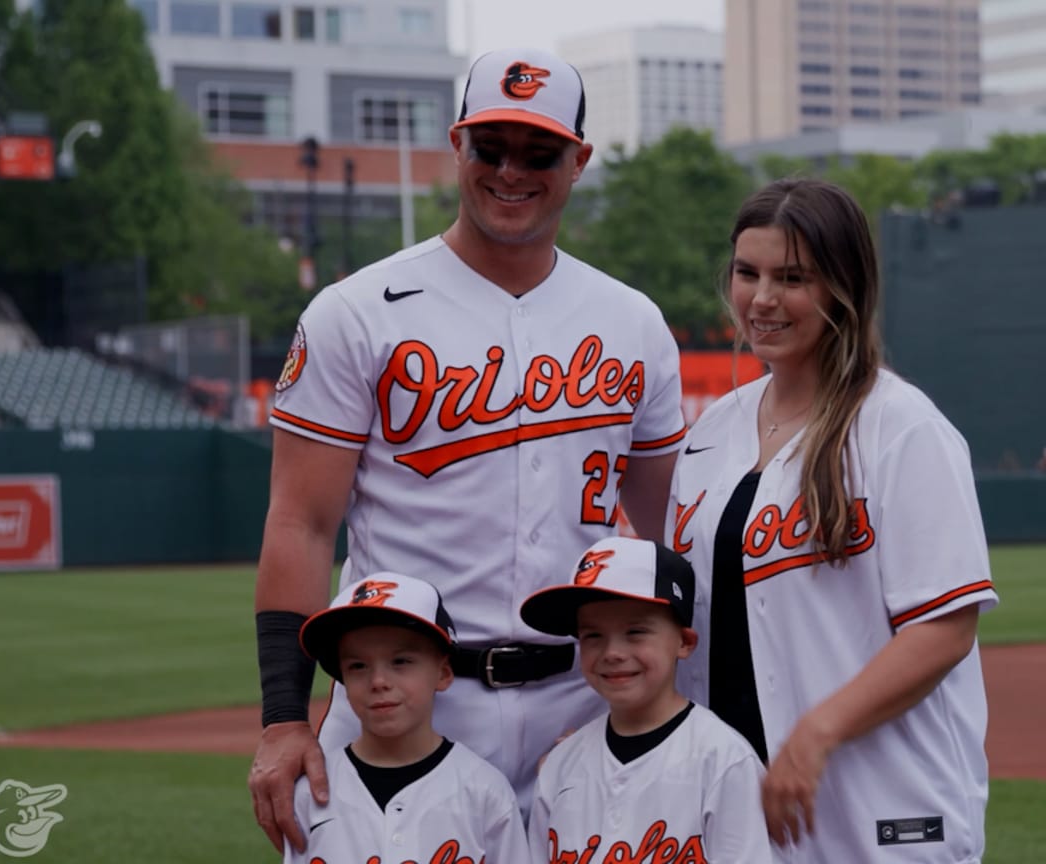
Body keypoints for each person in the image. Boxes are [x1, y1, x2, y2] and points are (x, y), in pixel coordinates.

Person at [249, 46, 688, 853]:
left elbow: (670, 540)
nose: (510, 170)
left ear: (579, 160)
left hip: (584, 710)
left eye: (539, 152)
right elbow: (301, 526)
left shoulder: (632, 322)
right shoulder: (357, 312)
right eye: (489, 147)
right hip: (406, 712)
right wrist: (283, 719)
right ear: (457, 145)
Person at [665, 179, 999, 862]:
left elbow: (944, 628)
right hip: (741, 811)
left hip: (882, 805)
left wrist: (817, 732)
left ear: (842, 286)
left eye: (792, 278)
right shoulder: (710, 435)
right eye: (747, 272)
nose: (762, 298)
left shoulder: (900, 428)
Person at [518, 537, 775, 863]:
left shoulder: (723, 760)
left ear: (684, 642)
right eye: (593, 635)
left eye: (635, 631)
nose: (612, 653)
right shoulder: (561, 766)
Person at [289, 572, 530, 864]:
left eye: (400, 661)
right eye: (358, 665)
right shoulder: (312, 794)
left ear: (443, 673)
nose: (378, 681)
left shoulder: (485, 791)